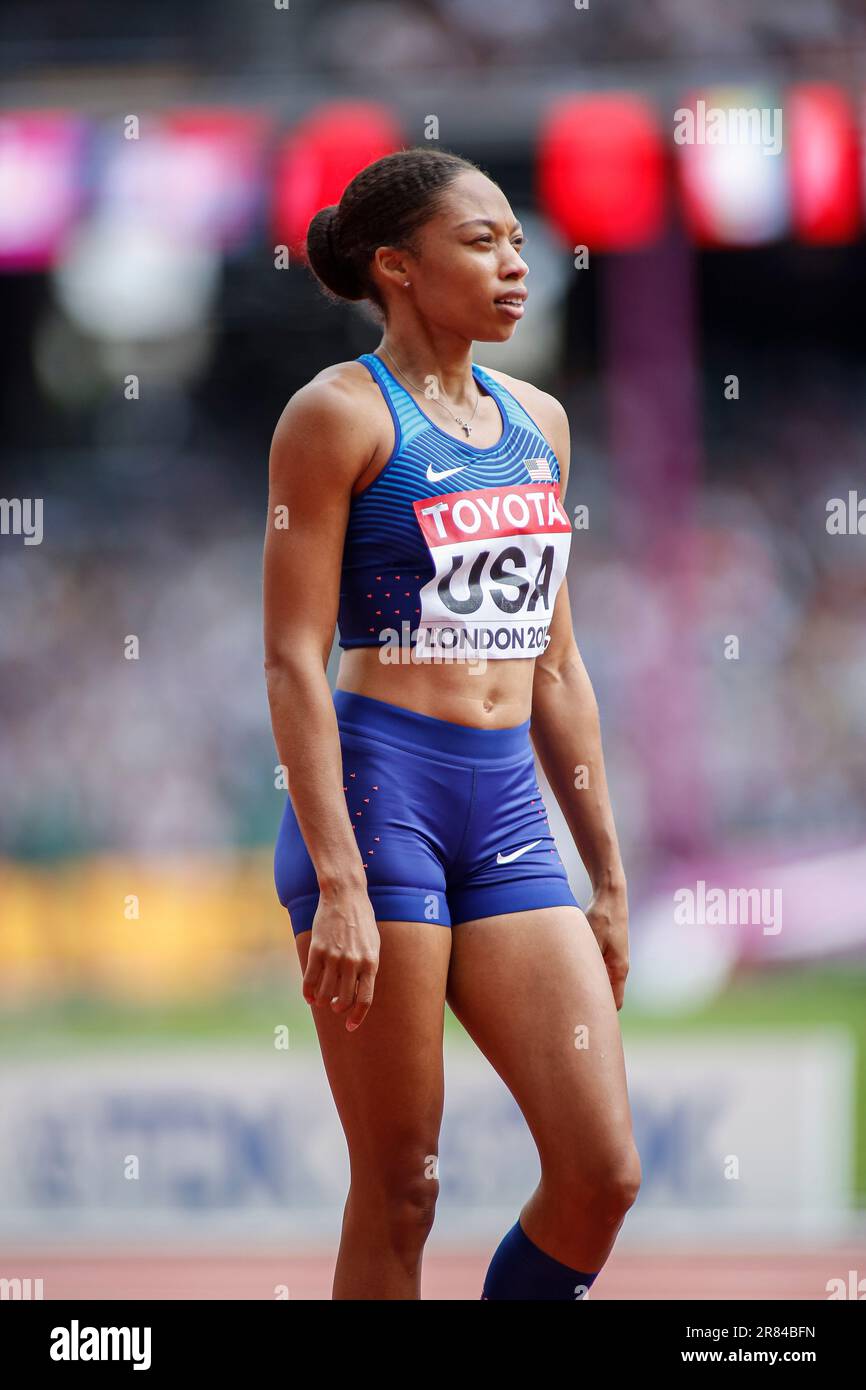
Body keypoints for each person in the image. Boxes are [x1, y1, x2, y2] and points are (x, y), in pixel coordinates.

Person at [263, 146, 639, 1300]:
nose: (516, 263)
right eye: (480, 242)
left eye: (518, 240)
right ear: (398, 267)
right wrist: (337, 881)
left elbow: (558, 666)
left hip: (508, 810)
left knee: (600, 1172)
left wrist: (608, 876)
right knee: (402, 1186)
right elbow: (289, 656)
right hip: (385, 809)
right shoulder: (334, 417)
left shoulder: (541, 422)